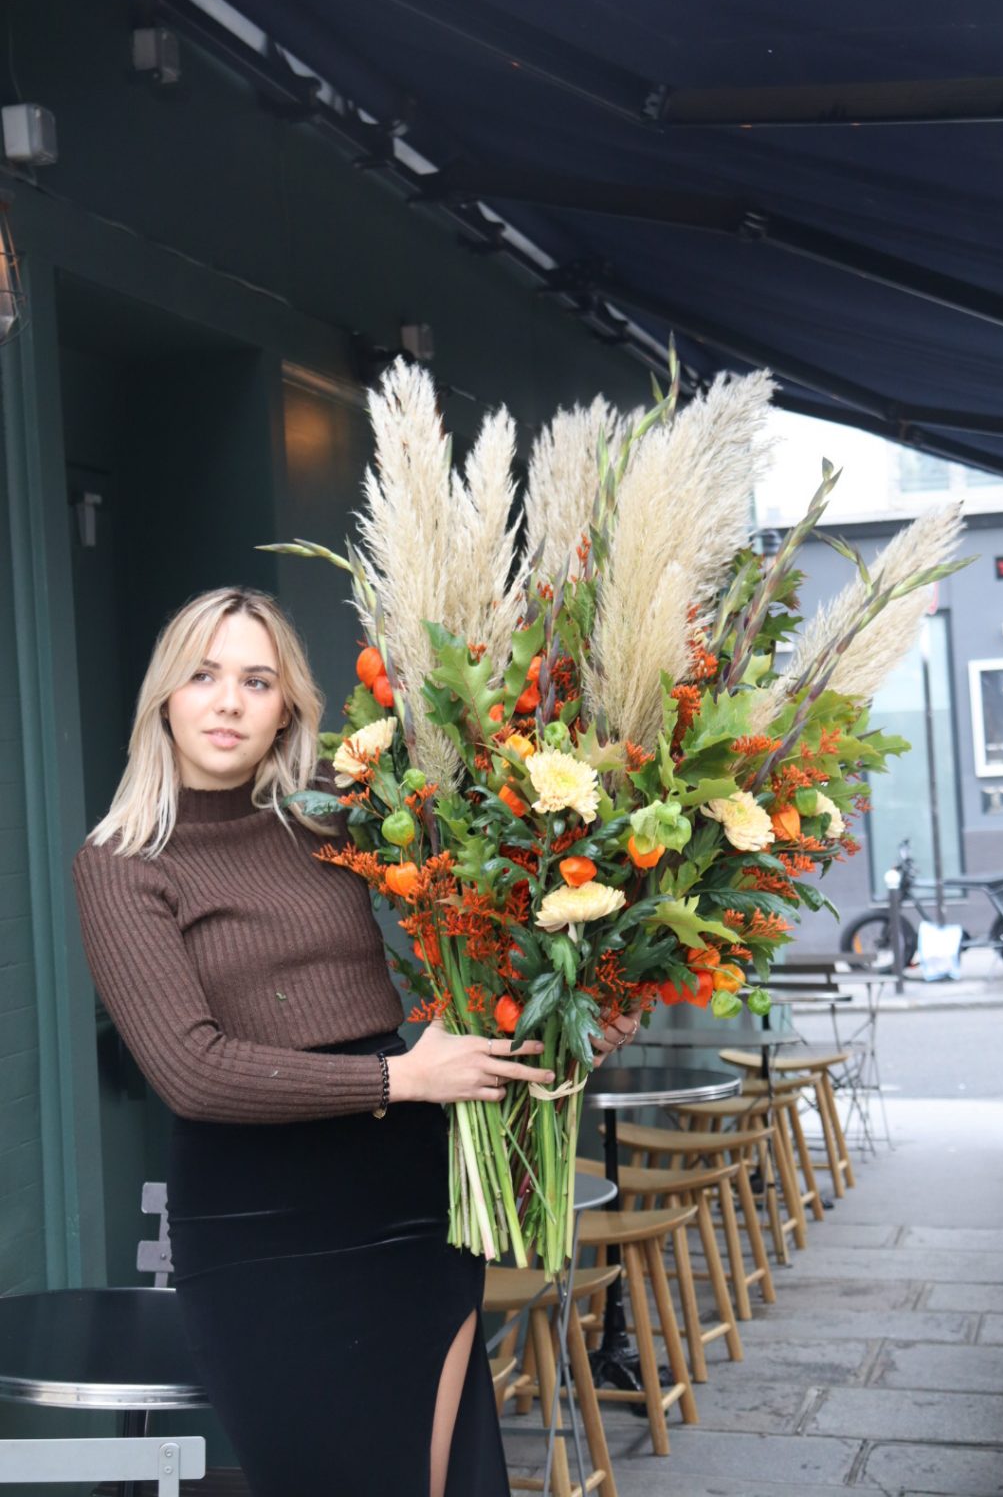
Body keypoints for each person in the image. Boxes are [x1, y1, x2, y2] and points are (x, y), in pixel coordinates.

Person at [72, 586, 641, 1497]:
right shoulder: (124, 863)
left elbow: (487, 940)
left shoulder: (332, 816)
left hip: (408, 1204)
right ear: (164, 698)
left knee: (446, 1480)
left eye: (257, 681)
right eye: (204, 675)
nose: (228, 702)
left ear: (289, 705)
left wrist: (578, 1013)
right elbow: (193, 1071)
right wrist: (402, 1078)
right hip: (260, 1226)